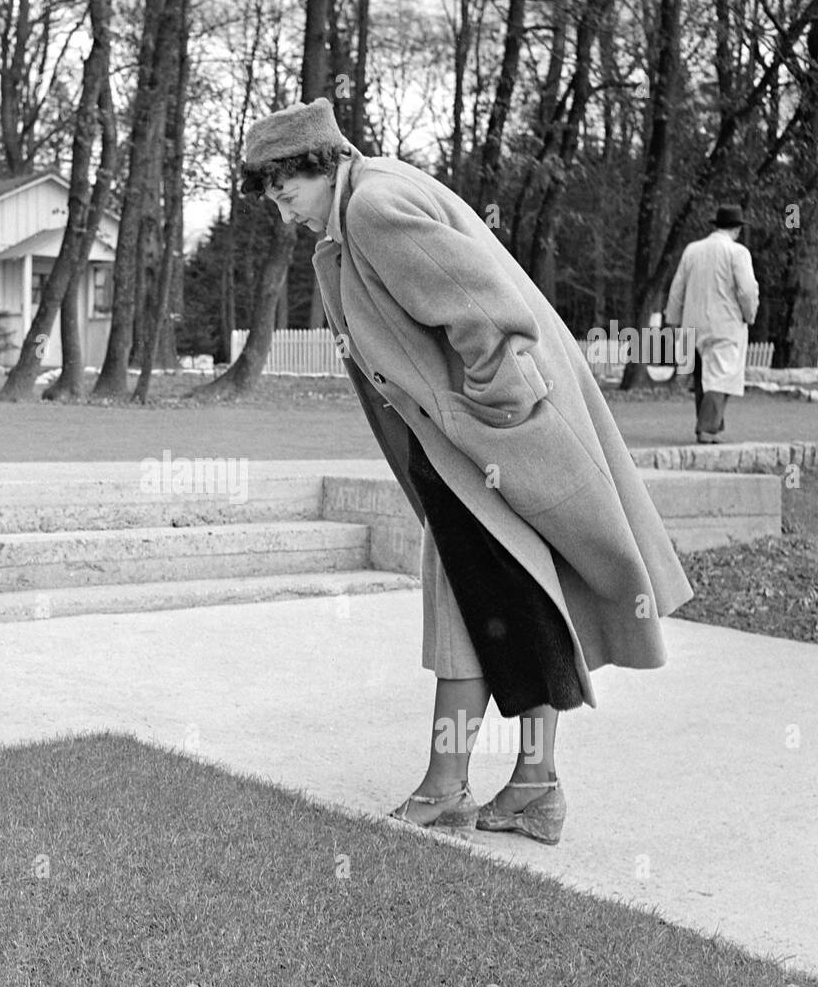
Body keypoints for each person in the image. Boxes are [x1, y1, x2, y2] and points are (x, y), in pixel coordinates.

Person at [239, 98, 694, 845]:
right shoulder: (365, 201)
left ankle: (457, 788)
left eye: (283, 187)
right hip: (468, 447)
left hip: (489, 443)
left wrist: (495, 418)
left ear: (320, 165)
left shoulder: (373, 208)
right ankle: (524, 787)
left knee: (490, 600)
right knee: (505, 597)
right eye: (269, 191)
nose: (279, 205)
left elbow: (488, 311)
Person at [664, 204, 760, 443]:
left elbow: (677, 288)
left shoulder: (692, 250)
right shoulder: (738, 253)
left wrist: (673, 320)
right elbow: (747, 290)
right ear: (737, 229)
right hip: (724, 324)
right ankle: (708, 428)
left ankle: (710, 427)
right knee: (720, 378)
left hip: (692, 323)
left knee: (701, 379)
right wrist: (749, 315)